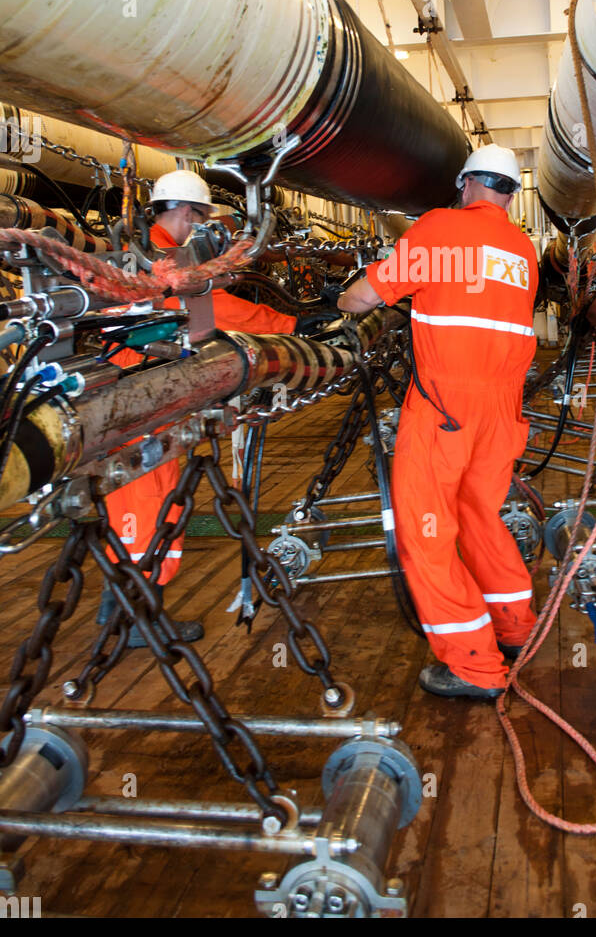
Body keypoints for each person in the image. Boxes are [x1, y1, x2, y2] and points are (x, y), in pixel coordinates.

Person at [338, 145, 539, 700]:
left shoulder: (438, 227)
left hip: (445, 407)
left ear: (466, 184)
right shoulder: (523, 248)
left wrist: (340, 301)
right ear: (509, 192)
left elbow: (363, 296)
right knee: (479, 516)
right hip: (502, 410)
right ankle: (514, 627)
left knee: (426, 531)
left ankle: (474, 663)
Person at [99, 171, 299, 645]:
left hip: (134, 396)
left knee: (137, 506)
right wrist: (294, 321)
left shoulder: (143, 247)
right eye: (202, 218)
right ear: (188, 211)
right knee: (146, 506)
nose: (201, 228)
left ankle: (123, 616)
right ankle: (132, 623)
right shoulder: (167, 257)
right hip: (139, 403)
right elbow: (216, 313)